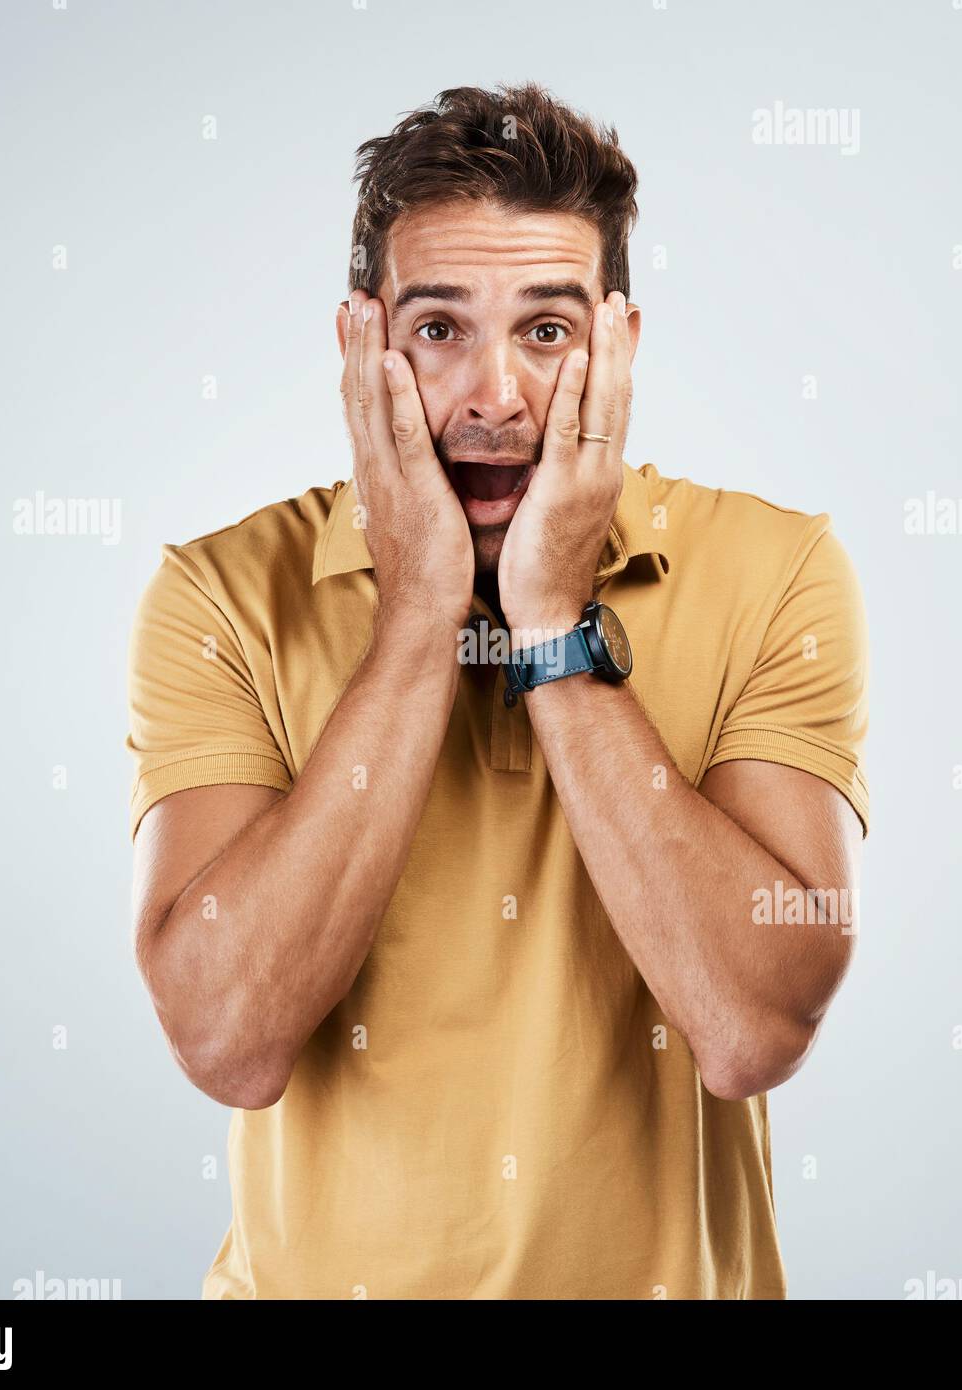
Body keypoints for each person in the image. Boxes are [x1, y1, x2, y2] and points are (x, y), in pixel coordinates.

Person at [126, 82, 870, 1300]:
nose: (493, 399)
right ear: (363, 345)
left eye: (544, 330)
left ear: (617, 343)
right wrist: (417, 619)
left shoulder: (775, 570)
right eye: (437, 330)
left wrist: (552, 626)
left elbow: (752, 1029)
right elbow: (227, 1041)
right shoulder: (219, 594)